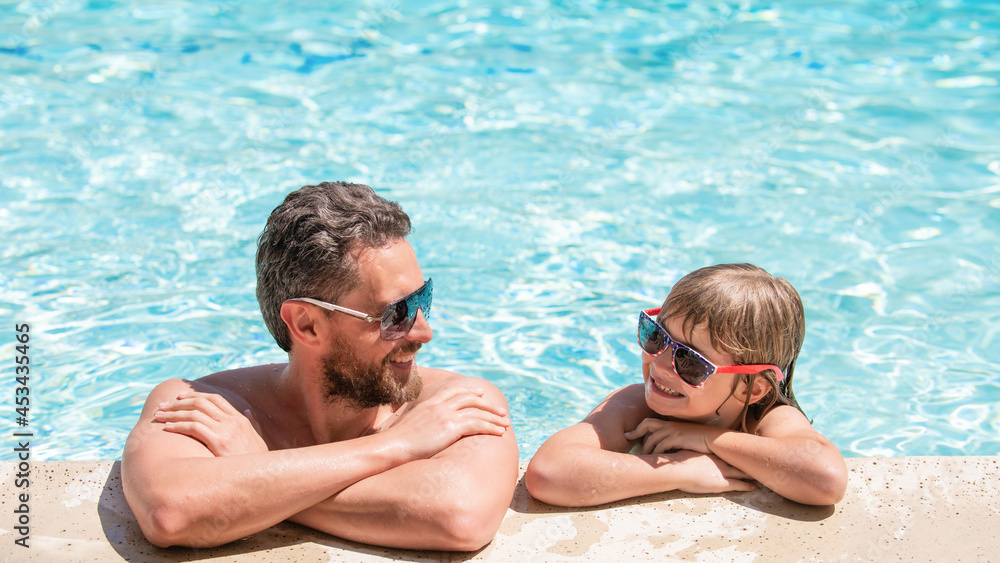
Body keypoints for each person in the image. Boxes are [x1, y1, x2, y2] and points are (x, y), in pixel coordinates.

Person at [122, 182, 519, 551]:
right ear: (307, 324)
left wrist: (257, 477)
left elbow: (460, 517)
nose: (424, 331)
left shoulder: (455, 404)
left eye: (423, 299)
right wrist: (394, 447)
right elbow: (171, 512)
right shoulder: (203, 405)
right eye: (396, 313)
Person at [525, 263, 847, 507]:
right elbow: (550, 472)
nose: (661, 364)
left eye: (691, 362)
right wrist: (678, 470)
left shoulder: (764, 420)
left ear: (754, 388)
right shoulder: (635, 405)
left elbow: (826, 481)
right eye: (655, 336)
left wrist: (709, 439)